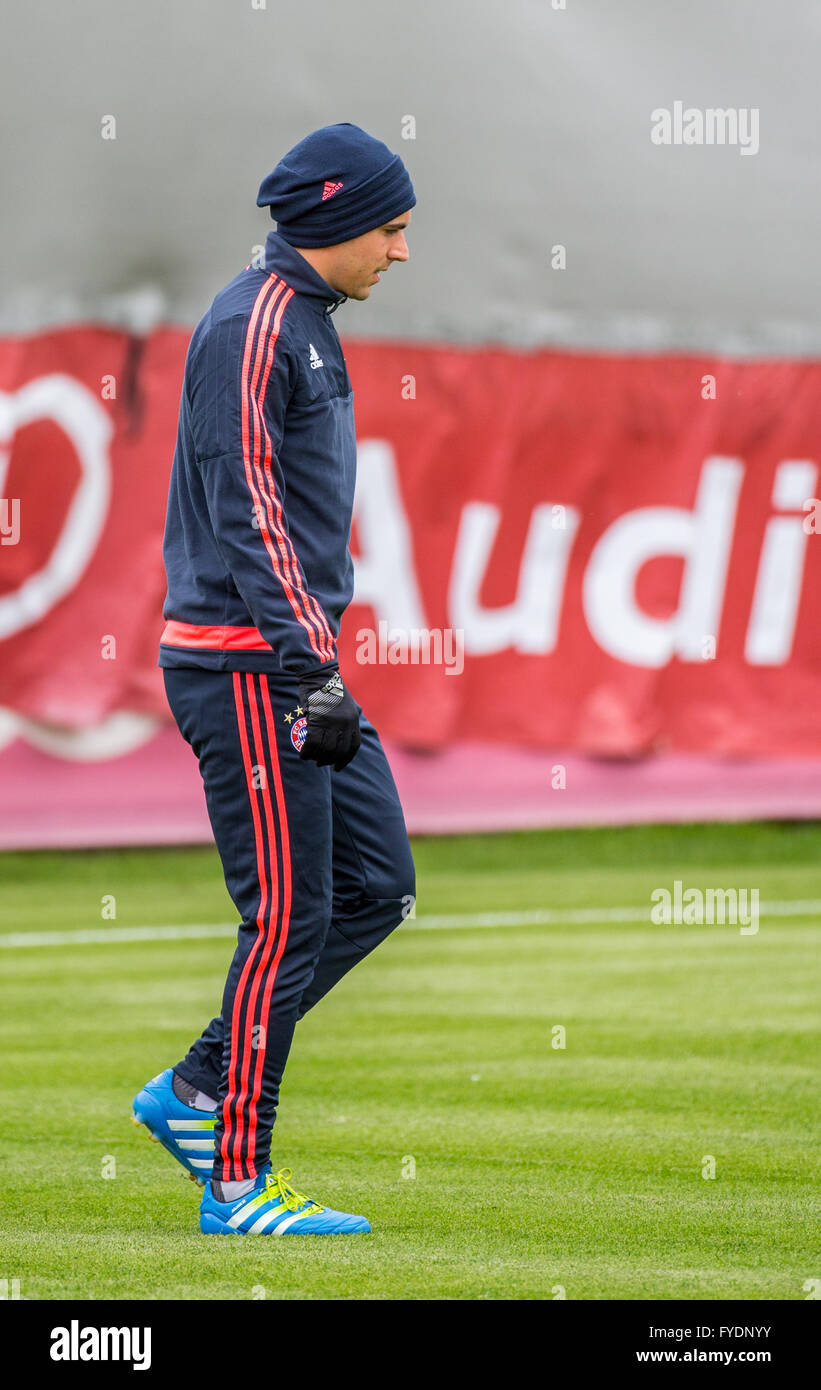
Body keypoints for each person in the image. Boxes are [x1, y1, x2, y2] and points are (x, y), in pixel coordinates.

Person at [131, 123, 416, 1236]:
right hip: (249, 667)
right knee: (287, 918)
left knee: (378, 887)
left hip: (293, 664)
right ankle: (236, 1181)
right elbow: (246, 506)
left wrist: (318, 667)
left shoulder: (306, 319)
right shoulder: (249, 325)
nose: (401, 251)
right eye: (391, 228)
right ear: (339, 219)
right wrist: (311, 673)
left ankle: (197, 1087)